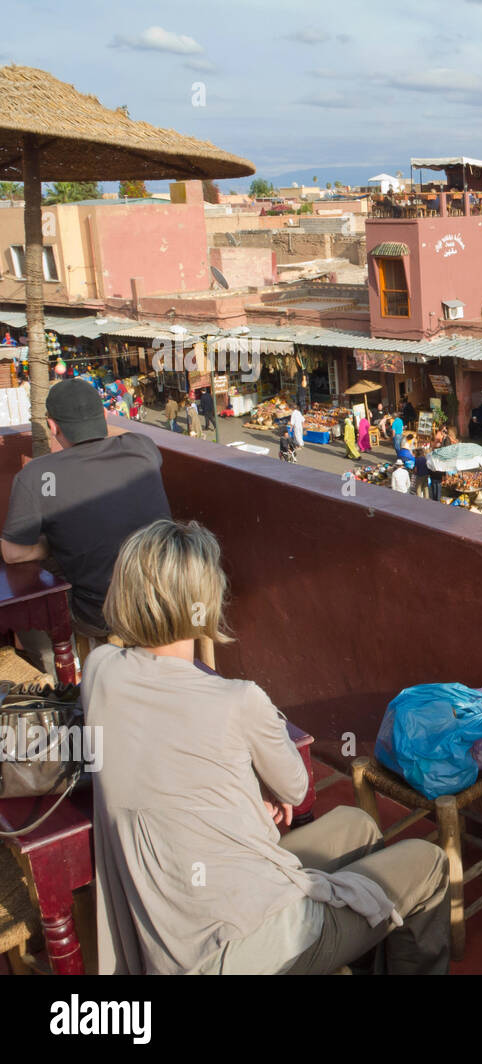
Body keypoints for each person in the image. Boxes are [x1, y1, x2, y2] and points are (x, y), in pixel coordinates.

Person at [85, 519, 451, 974]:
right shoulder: (238, 701)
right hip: (242, 947)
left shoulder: (99, 673)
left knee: (358, 826)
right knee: (431, 862)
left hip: (172, 930)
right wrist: (260, 784)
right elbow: (296, 791)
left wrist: (244, 793)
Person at [1, 377, 171, 642]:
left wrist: (52, 544)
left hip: (105, 616)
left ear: (52, 426)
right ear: (105, 415)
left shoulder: (38, 475)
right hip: (170, 598)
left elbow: (12, 553)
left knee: (35, 608)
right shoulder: (143, 447)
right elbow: (116, 436)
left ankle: (63, 671)